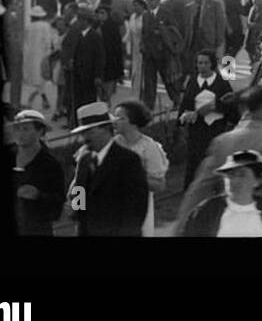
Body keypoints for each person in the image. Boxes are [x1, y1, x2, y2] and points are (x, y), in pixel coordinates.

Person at [177, 85, 262, 230]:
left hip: (225, 219)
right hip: (258, 221)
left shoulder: (222, 141)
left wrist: (181, 224)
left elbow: (199, 188)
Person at [68, 101, 149, 237]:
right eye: (83, 133)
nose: (85, 138)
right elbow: (79, 192)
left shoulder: (128, 160)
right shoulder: (84, 160)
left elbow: (136, 207)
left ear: (106, 129)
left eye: (90, 132)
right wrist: (75, 209)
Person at [182, 150, 262, 237]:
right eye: (230, 175)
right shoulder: (206, 211)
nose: (234, 180)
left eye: (241, 175)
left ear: (257, 181)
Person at [177, 50, 237, 193]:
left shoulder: (221, 83)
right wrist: (184, 118)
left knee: (214, 158)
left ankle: (216, 189)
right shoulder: (192, 82)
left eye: (205, 63)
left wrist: (214, 107)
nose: (202, 66)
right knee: (194, 159)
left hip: (215, 128)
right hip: (196, 128)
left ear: (212, 64)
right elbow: (186, 104)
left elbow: (231, 107)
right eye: (199, 63)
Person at [113, 99, 169, 237]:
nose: (114, 121)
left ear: (133, 122)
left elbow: (159, 185)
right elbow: (81, 182)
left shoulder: (148, 147)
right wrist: (78, 207)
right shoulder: (111, 144)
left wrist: (133, 176)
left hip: (138, 206)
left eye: (120, 118)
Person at [11, 109, 65, 237]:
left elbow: (59, 203)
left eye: (26, 129)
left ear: (40, 132)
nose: (20, 134)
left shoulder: (50, 165)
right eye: (17, 129)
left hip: (36, 229)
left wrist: (38, 196)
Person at [71, 5, 106, 109]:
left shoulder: (95, 36)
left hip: (90, 76)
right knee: (78, 102)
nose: (78, 22)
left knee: (88, 102)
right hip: (78, 75)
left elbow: (100, 57)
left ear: (86, 21)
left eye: (80, 20)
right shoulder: (78, 35)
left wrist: (98, 75)